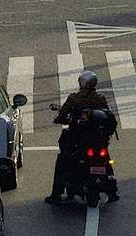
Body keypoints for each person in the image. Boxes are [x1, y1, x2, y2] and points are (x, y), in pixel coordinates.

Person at [46, 70, 116, 204]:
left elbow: (62, 115)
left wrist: (59, 119)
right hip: (98, 139)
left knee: (63, 160)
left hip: (77, 139)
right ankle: (112, 191)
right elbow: (108, 114)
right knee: (105, 157)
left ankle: (56, 194)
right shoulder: (100, 98)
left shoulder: (74, 98)